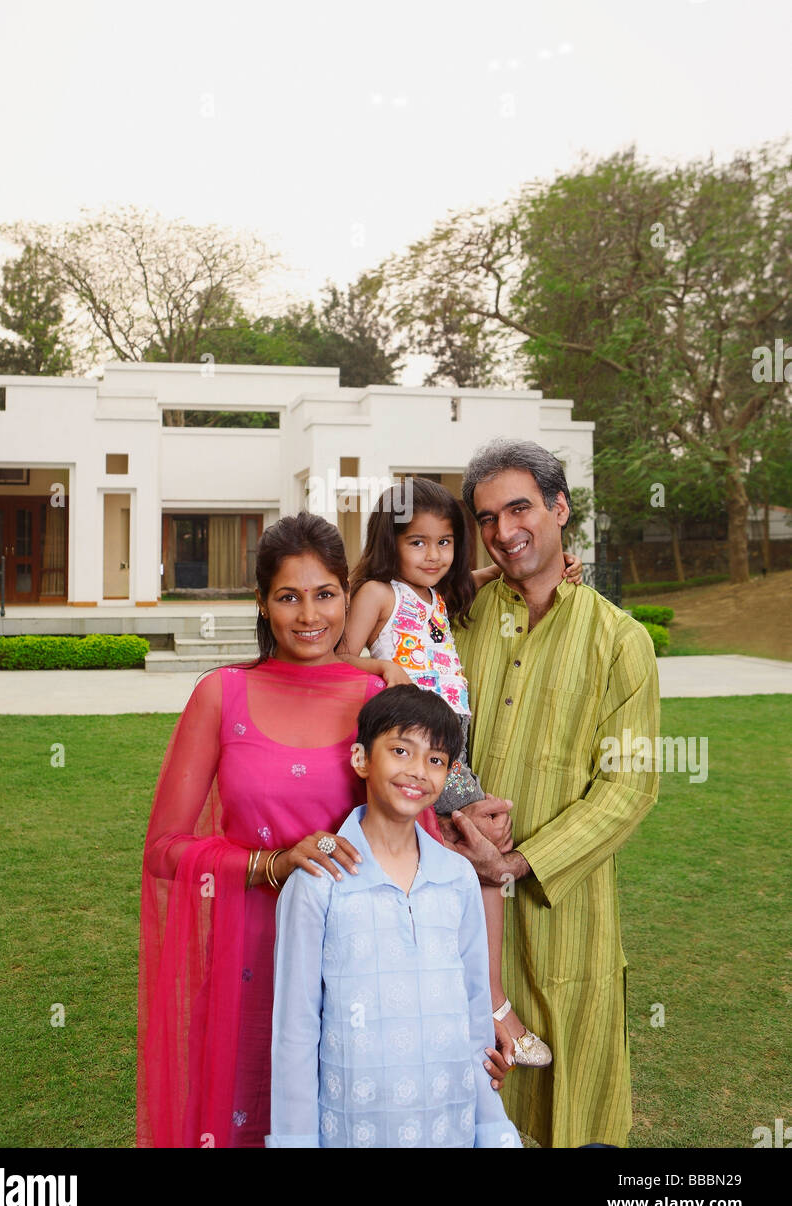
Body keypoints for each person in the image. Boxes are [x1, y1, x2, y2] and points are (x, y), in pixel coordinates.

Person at [136, 511, 507, 1148]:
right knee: (250, 1119)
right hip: (248, 958)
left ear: (349, 592)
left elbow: (415, 821)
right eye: (288, 597)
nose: (310, 616)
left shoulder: (376, 695)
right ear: (261, 602)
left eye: (325, 594)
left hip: (367, 972)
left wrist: (481, 1017)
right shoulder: (221, 696)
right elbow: (165, 852)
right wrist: (269, 865)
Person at [447, 439, 660, 1148]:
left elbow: (629, 786)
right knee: (470, 1113)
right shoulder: (461, 620)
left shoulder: (618, 641)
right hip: (458, 914)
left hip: (568, 920)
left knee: (577, 1123)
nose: (505, 529)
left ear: (560, 508)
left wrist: (518, 862)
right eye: (487, 518)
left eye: (520, 508)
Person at [342, 476, 581, 1066]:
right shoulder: (379, 592)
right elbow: (341, 655)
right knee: (490, 860)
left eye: (445, 542)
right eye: (418, 542)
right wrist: (382, 665)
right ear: (390, 541)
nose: (433, 555)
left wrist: (556, 560)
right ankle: (495, 1003)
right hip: (416, 746)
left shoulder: (438, 598)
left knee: (471, 858)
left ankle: (465, 998)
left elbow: (491, 574)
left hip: (452, 744)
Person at [266, 685, 522, 1149]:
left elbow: (474, 1018)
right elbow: (295, 1035)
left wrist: (494, 1131)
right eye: (401, 750)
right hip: (353, 1130)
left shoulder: (459, 878)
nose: (417, 772)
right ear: (362, 758)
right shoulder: (317, 882)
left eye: (436, 760)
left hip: (453, 1125)